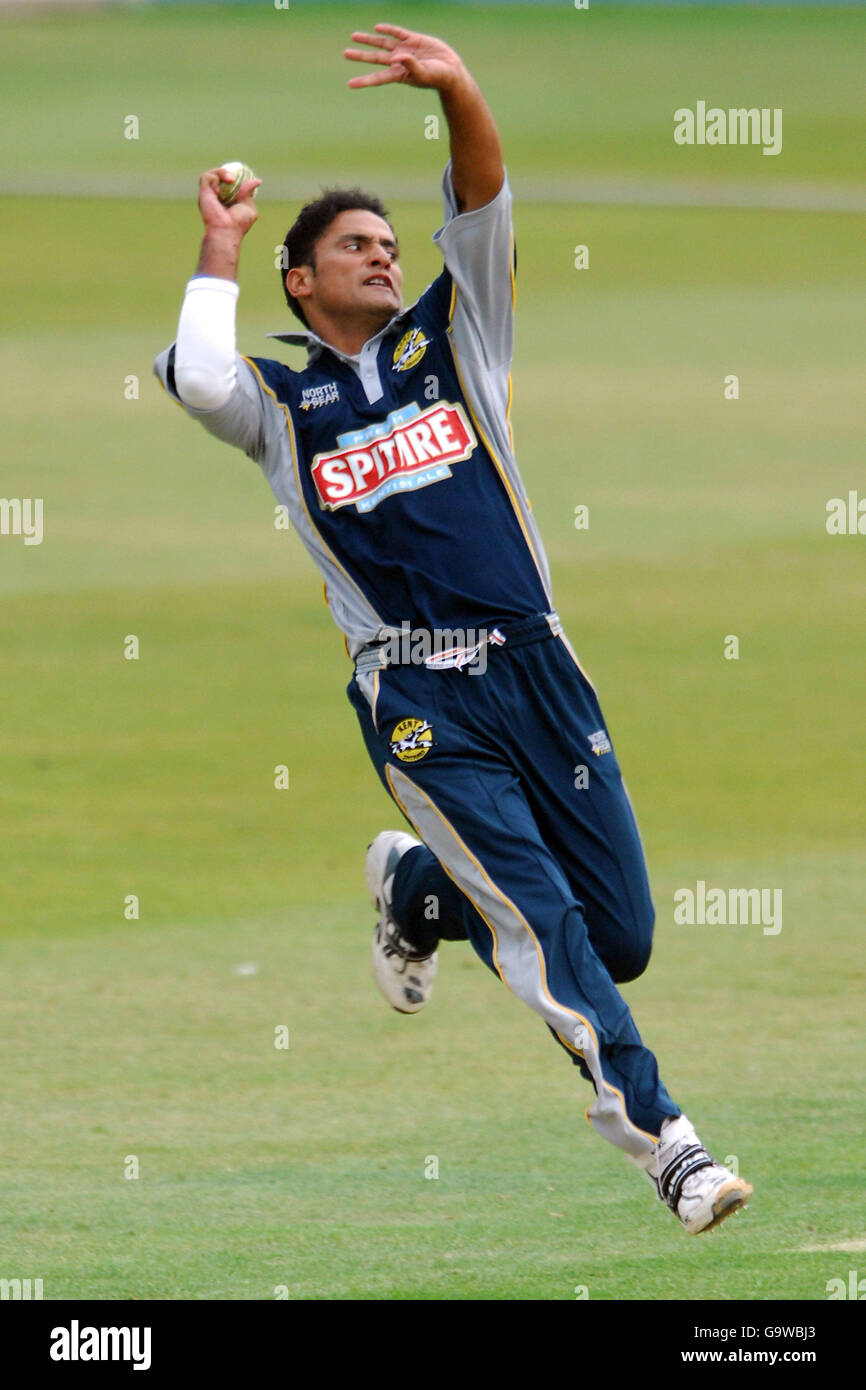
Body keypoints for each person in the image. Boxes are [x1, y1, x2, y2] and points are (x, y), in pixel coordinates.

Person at [154, 23, 753, 1236]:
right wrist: (216, 244)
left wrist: (458, 90)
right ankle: (669, 1147)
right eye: (351, 247)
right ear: (298, 278)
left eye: (386, 242)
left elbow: (480, 198)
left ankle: (419, 890)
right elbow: (201, 375)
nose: (380, 255)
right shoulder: (281, 403)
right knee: (540, 931)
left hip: (537, 664)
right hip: (419, 704)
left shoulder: (455, 342)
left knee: (618, 933)